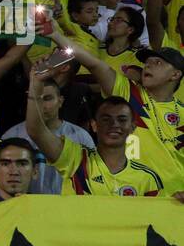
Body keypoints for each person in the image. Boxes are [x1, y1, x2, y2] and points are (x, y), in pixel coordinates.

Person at [24, 65, 166, 197]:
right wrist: (36, 83)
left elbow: (157, 219)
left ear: (132, 128)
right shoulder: (76, 159)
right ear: (94, 125)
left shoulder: (147, 178)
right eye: (106, 119)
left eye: (122, 120)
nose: (114, 124)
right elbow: (36, 131)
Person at [1, 76, 94, 195]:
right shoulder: (11, 136)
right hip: (26, 207)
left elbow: (92, 178)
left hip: (67, 208)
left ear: (60, 101)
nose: (41, 105)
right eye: (37, 99)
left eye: (47, 98)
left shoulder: (81, 137)